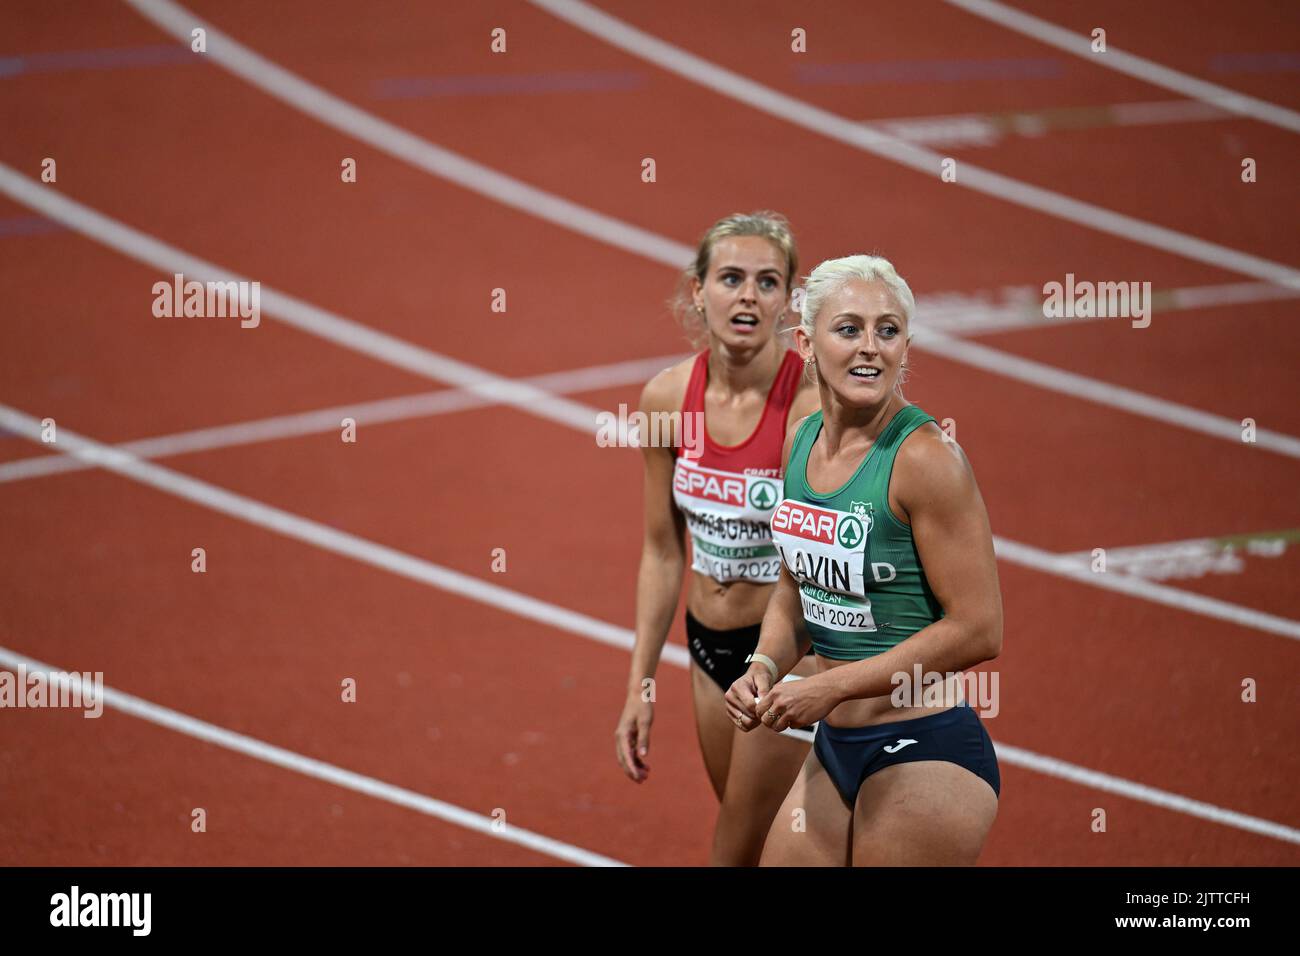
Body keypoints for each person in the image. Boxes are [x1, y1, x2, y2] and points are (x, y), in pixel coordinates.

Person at [723, 254, 1003, 866]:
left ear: (906, 347)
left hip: (926, 745)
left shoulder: (927, 459)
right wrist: (765, 664)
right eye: (848, 329)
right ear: (806, 344)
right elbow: (797, 585)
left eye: (888, 330)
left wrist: (831, 685)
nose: (870, 348)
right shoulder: (801, 440)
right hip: (835, 747)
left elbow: (980, 629)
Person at [615, 211, 821, 866]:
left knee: (737, 850)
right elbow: (661, 550)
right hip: (707, 647)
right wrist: (640, 685)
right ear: (698, 291)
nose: (748, 296)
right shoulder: (665, 400)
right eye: (731, 278)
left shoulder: (812, 407)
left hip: (786, 655)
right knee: (761, 845)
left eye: (767, 282)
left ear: (787, 301)